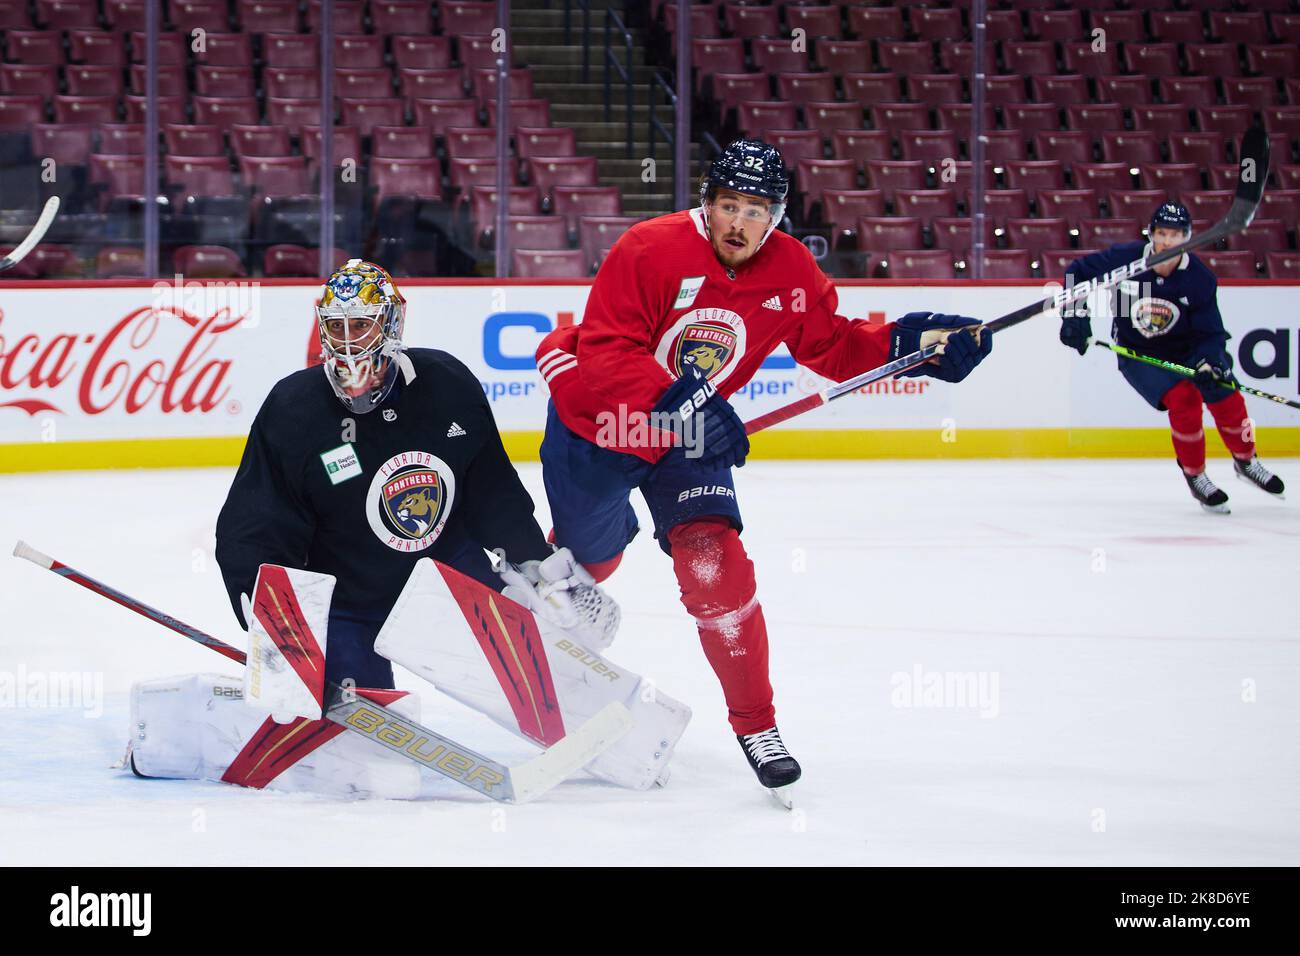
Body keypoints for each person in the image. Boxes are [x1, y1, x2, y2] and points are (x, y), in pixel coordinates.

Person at [532, 138, 994, 795]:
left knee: (713, 563)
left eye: (756, 210)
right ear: (707, 205)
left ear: (776, 215)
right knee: (590, 559)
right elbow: (607, 351)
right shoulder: (649, 248)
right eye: (728, 206)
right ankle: (556, 588)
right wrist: (694, 399)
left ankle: (757, 723)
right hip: (600, 423)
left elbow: (832, 344)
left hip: (686, 438)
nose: (739, 223)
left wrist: (911, 344)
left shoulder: (792, 270)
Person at [216, 259, 615, 692]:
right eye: (337, 327)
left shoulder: (446, 385)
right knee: (350, 732)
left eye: (362, 326)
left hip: (448, 580)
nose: (348, 343)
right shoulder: (294, 409)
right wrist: (271, 612)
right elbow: (256, 522)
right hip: (346, 600)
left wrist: (540, 564)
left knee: (542, 676)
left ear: (391, 324)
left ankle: (577, 697)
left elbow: (492, 494)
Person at [1059, 201, 1286, 514]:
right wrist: (1074, 316)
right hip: (1138, 353)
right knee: (1184, 399)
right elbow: (1078, 272)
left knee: (1226, 393)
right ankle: (1196, 475)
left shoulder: (1200, 279)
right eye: (1161, 233)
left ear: (1188, 238)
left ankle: (1246, 461)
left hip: (1187, 350)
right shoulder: (1127, 260)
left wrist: (1209, 362)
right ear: (1151, 234)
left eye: (1176, 235)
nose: (1167, 241)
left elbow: (1211, 334)